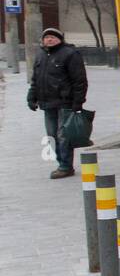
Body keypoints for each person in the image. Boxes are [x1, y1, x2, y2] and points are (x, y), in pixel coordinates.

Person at [26, 27, 88, 179]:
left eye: (54, 37)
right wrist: (31, 97)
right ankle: (62, 163)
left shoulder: (70, 54)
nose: (50, 39)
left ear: (60, 39)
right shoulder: (41, 54)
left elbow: (79, 81)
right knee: (52, 135)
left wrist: (78, 102)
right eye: (47, 37)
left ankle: (65, 166)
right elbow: (36, 79)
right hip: (47, 103)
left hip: (65, 103)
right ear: (43, 40)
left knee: (63, 135)